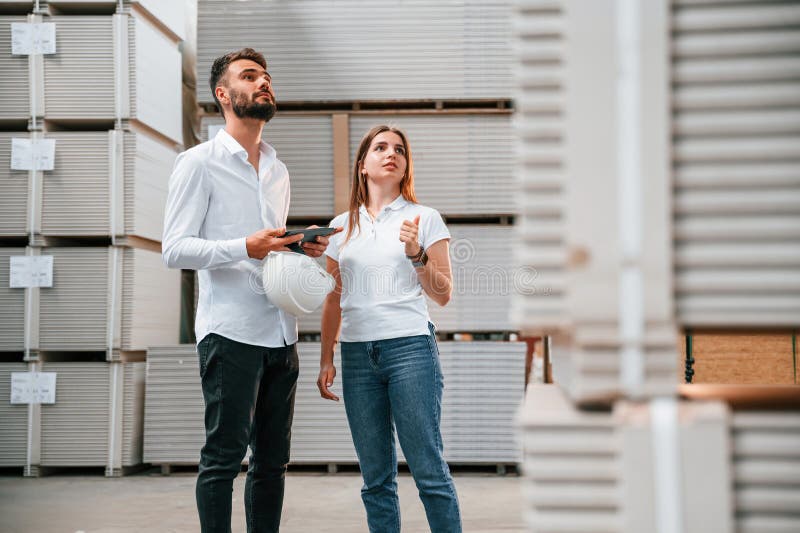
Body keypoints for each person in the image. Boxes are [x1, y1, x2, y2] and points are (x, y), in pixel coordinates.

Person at [162, 48, 338, 533]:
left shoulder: (278, 170)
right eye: (250, 75)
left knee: (273, 463)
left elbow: (267, 249)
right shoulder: (198, 163)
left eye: (266, 76)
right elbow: (174, 248)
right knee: (222, 459)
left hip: (280, 332)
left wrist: (299, 248)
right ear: (223, 93)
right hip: (231, 331)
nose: (264, 82)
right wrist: (244, 246)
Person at [317, 125, 462, 532]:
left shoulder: (424, 218)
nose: (391, 154)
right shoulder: (341, 226)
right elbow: (333, 298)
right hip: (358, 356)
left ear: (405, 166)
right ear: (363, 165)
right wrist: (326, 358)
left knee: (429, 471)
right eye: (380, 147)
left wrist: (416, 253)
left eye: (399, 149)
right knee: (375, 480)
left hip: (410, 352)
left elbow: (443, 294)